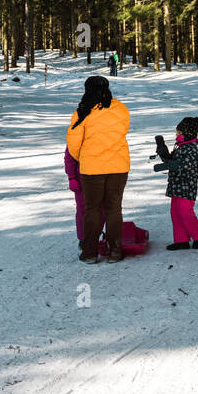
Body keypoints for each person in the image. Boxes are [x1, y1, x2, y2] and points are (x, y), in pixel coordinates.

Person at [65, 75, 130, 264]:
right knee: (114, 209)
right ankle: (115, 252)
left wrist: (83, 157)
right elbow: (123, 130)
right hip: (118, 166)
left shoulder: (83, 111)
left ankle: (90, 253)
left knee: (91, 210)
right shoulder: (121, 108)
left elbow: (73, 143)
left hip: (92, 169)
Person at [152, 116, 198, 250]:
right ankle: (181, 240)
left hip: (187, 186)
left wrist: (172, 165)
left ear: (188, 133)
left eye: (179, 133)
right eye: (177, 132)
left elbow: (188, 165)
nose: (177, 135)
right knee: (175, 212)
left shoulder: (192, 148)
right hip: (177, 185)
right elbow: (172, 160)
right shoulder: (181, 146)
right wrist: (163, 150)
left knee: (184, 212)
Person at [63, 146, 84, 247]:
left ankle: (108, 238)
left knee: (105, 209)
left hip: (106, 174)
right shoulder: (78, 130)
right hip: (83, 176)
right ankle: (84, 239)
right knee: (83, 209)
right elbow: (70, 154)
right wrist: (71, 177)